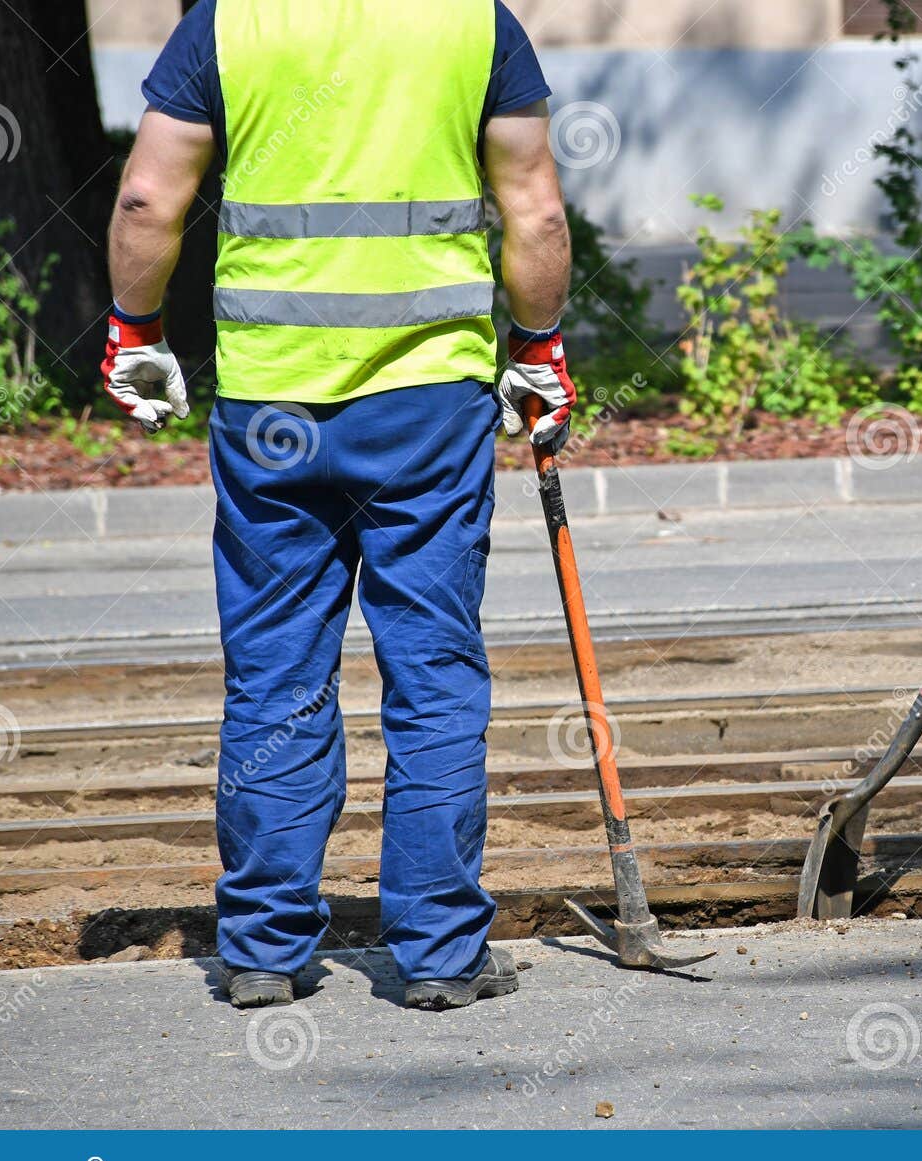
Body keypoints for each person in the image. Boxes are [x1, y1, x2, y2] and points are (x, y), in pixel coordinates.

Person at [101, 0, 578, 1007]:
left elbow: (149, 201)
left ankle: (267, 947)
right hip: (427, 411)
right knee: (434, 672)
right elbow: (533, 212)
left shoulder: (225, 27)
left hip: (274, 409)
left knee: (277, 672)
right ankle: (441, 952)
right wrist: (536, 352)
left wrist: (132, 331)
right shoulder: (474, 27)